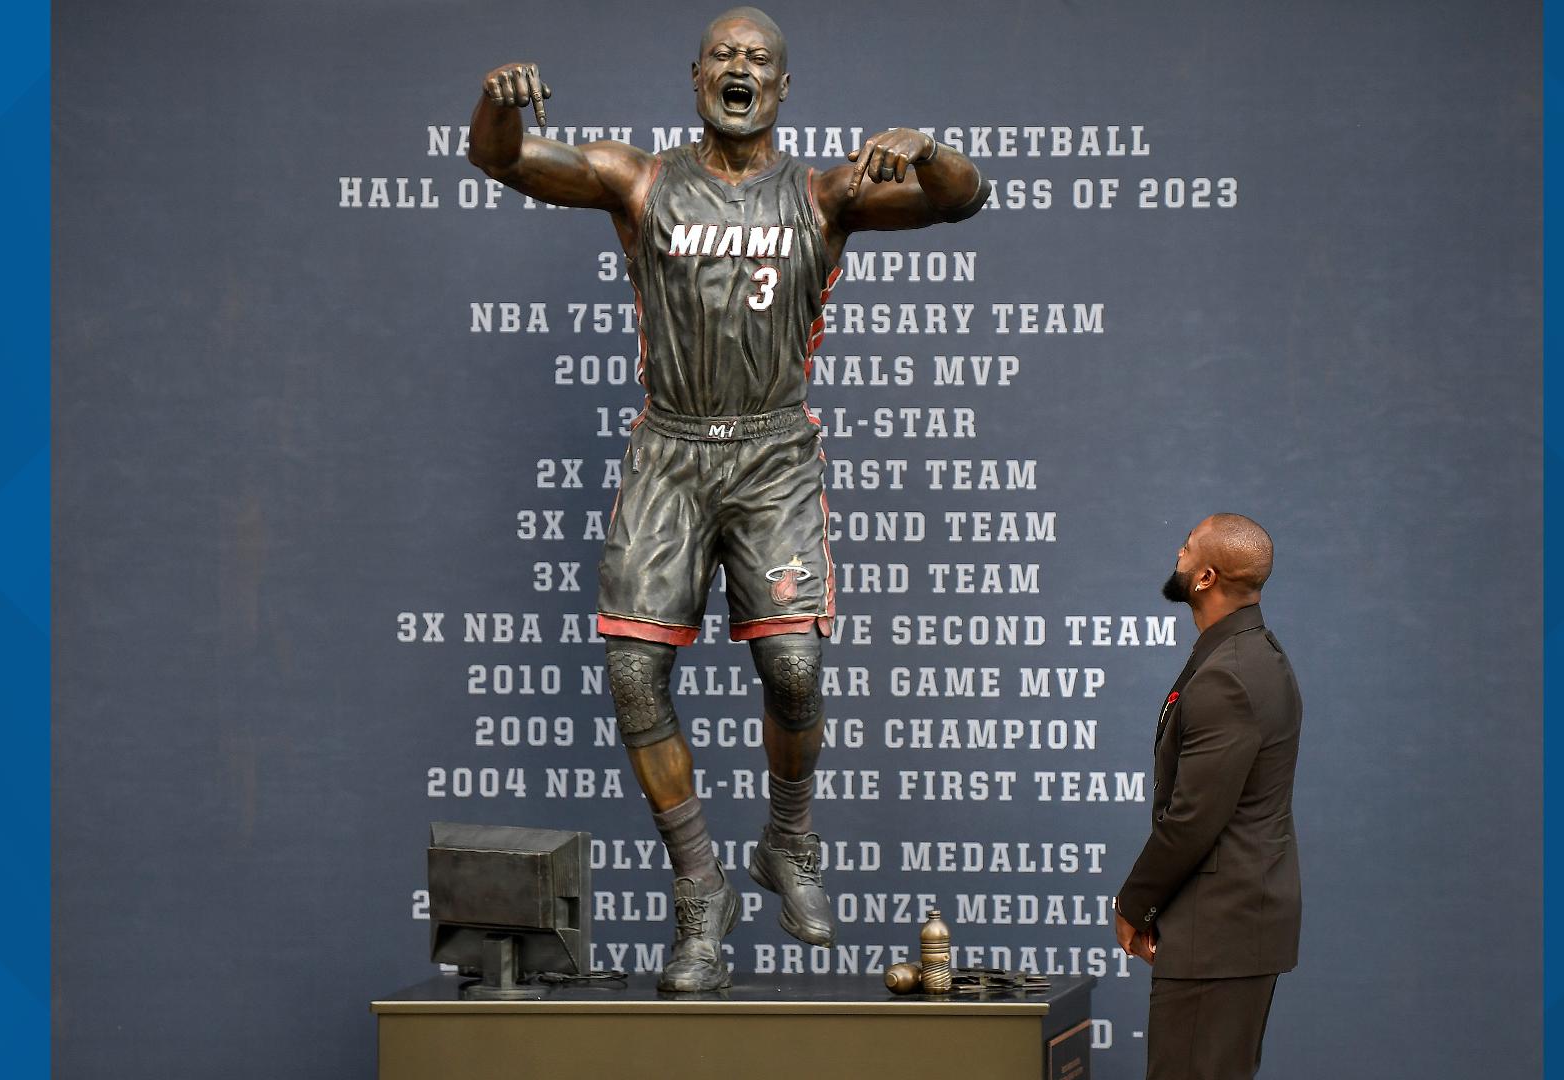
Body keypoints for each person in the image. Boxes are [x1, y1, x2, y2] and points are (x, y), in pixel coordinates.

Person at [467, 8, 988, 992]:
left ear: (783, 89)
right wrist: (493, 106)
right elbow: (503, 159)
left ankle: (787, 841)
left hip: (772, 454)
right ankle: (700, 891)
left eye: (760, 59)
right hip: (671, 449)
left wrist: (930, 146)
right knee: (632, 679)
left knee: (793, 667)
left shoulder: (827, 193)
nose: (741, 67)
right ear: (696, 75)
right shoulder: (642, 181)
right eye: (725, 55)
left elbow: (961, 200)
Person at [1114, 514, 1303, 1078]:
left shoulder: (1230, 676)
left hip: (1217, 931)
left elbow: (1193, 818)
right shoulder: (1250, 655)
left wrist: (1134, 903)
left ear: (1206, 577)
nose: (1179, 552)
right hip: (1231, 926)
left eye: (1188, 548)